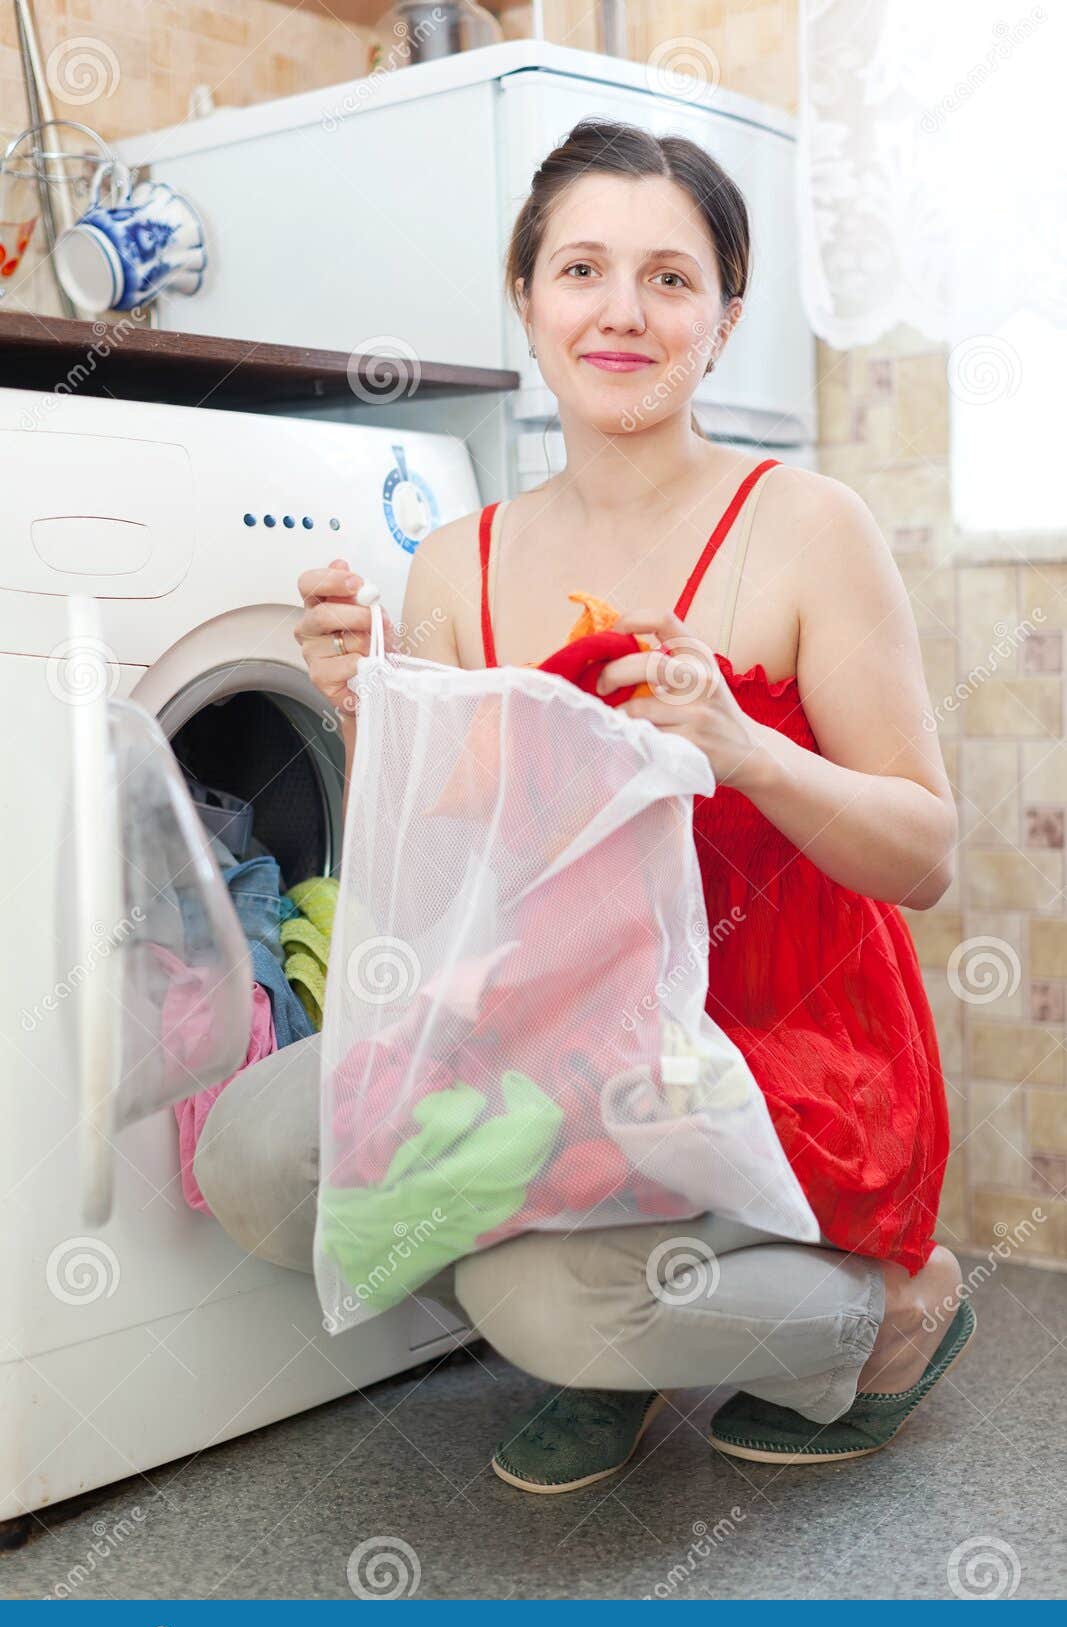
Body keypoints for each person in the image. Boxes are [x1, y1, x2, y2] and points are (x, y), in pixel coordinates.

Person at [195, 119, 972, 1494]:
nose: (622, 311)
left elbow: (922, 851)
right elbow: (432, 880)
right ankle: (618, 1312)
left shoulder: (806, 528)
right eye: (582, 270)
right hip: (552, 1033)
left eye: (670, 280)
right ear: (527, 295)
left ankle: (901, 1308)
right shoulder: (457, 561)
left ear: (725, 321)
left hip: (771, 1042)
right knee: (262, 1152)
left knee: (542, 1303)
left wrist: (747, 747)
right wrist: (373, 714)